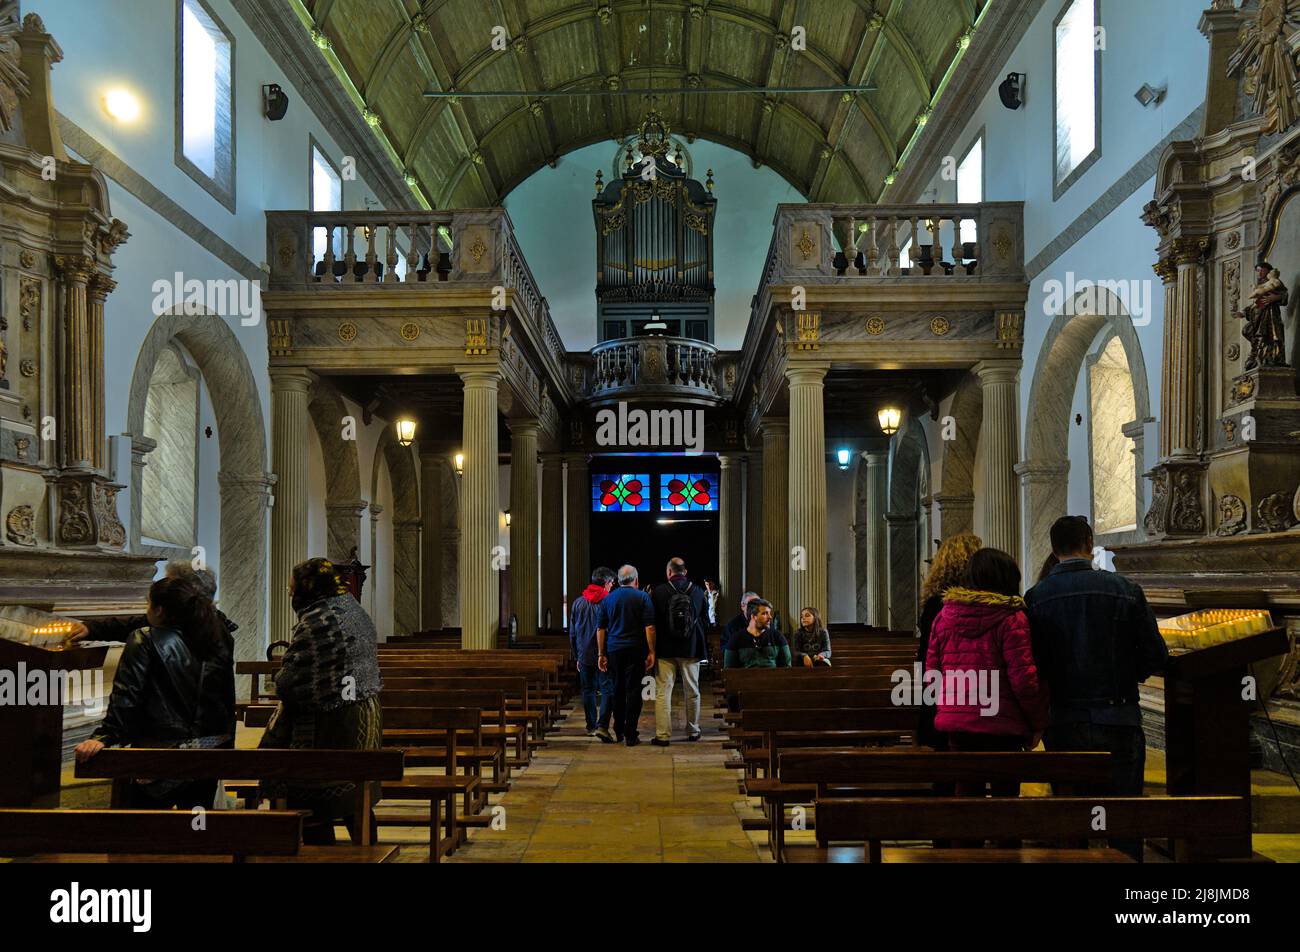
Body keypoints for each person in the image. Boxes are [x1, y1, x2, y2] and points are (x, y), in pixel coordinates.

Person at [1025, 516, 1167, 860]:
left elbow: (1034, 663)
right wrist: (1127, 673)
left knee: (1071, 813)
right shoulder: (1125, 590)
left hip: (1063, 718)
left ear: (1054, 547)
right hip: (1118, 714)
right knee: (1123, 814)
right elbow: (1155, 654)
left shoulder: (1036, 597)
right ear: (1089, 542)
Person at [73, 575, 236, 810]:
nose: (145, 609)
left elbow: (127, 696)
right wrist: (93, 628)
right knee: (195, 826)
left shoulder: (145, 639)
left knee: (142, 828)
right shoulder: (218, 633)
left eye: (147, 603)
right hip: (210, 749)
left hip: (160, 751)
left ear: (159, 610)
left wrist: (105, 736)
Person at [258, 557, 384, 843]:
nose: (291, 595)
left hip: (333, 723)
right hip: (364, 714)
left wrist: (279, 679)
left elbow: (291, 682)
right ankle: (366, 849)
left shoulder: (320, 620)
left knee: (314, 798)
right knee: (356, 798)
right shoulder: (352, 609)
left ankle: (321, 853)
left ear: (309, 588)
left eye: (293, 590)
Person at [926, 547, 1049, 800]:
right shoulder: (1011, 618)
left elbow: (932, 674)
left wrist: (948, 707)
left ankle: (967, 840)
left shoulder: (944, 616)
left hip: (958, 723)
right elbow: (1023, 680)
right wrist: (1037, 723)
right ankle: (1005, 839)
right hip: (1002, 724)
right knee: (1005, 799)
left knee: (967, 795)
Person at [64, 559, 236, 643]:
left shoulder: (167, 636)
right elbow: (133, 623)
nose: (164, 588)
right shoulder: (208, 624)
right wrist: (91, 628)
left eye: (169, 585)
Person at [917, 533, 982, 751]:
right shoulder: (988, 604)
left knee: (948, 771)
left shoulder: (936, 604)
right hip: (980, 695)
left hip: (945, 696)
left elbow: (926, 658)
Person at [595, 565, 657, 747]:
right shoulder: (643, 597)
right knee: (634, 692)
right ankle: (631, 733)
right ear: (636, 580)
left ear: (619, 580)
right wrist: (652, 651)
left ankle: (619, 730)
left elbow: (600, 629)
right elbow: (650, 627)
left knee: (618, 690)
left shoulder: (608, 599)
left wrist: (601, 653)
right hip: (636, 650)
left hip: (614, 650)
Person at [649, 557, 708, 745]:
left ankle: (663, 735)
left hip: (665, 648)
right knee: (692, 690)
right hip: (691, 648)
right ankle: (693, 731)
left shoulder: (658, 592)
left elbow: (652, 622)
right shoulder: (698, 591)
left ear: (669, 572)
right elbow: (705, 620)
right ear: (685, 571)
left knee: (663, 692)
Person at [569, 567, 617, 736]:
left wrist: (576, 655)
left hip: (584, 654)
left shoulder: (578, 603)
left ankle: (591, 726)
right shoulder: (610, 602)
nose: (612, 586)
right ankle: (602, 724)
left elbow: (573, 633)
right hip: (605, 654)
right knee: (607, 689)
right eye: (611, 583)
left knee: (588, 690)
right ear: (606, 584)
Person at [723, 598, 790, 668]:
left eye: (769, 613)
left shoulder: (777, 636)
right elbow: (729, 670)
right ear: (753, 616)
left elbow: (786, 667)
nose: (770, 617)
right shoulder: (736, 638)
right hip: (746, 678)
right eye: (765, 613)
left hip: (772, 678)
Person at [721, 591, 758, 656]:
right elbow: (725, 651)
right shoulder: (731, 626)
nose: (754, 608)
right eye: (750, 605)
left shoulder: (765, 623)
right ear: (742, 606)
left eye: (757, 605)